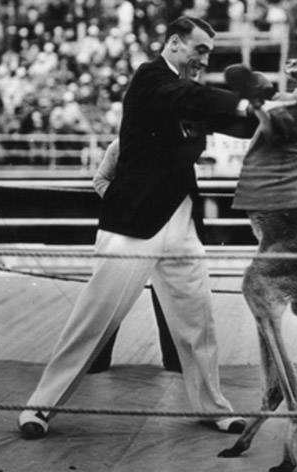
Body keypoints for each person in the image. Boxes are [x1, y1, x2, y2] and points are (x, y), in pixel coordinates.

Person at [18, 16, 261, 439]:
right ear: (173, 44)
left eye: (209, 52)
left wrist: (283, 115)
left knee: (196, 319)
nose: (205, 58)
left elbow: (236, 123)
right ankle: (39, 408)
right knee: (93, 319)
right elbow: (195, 99)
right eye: (199, 49)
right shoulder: (150, 79)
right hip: (133, 223)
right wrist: (242, 102)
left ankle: (213, 406)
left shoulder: (189, 95)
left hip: (180, 221)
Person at [87, 138, 181, 374]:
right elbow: (100, 179)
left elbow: (188, 182)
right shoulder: (119, 145)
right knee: (112, 292)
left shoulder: (175, 144)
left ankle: (175, 357)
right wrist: (123, 201)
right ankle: (97, 358)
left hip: (163, 229)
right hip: (125, 228)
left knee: (167, 293)